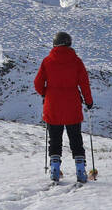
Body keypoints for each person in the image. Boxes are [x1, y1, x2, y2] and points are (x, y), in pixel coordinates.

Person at [34, 31, 94, 183]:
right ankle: (80, 170)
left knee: (55, 139)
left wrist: (45, 93)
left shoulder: (47, 61)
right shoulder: (77, 62)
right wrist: (88, 101)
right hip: (72, 106)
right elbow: (84, 84)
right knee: (76, 139)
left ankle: (54, 169)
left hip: (52, 106)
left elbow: (38, 84)